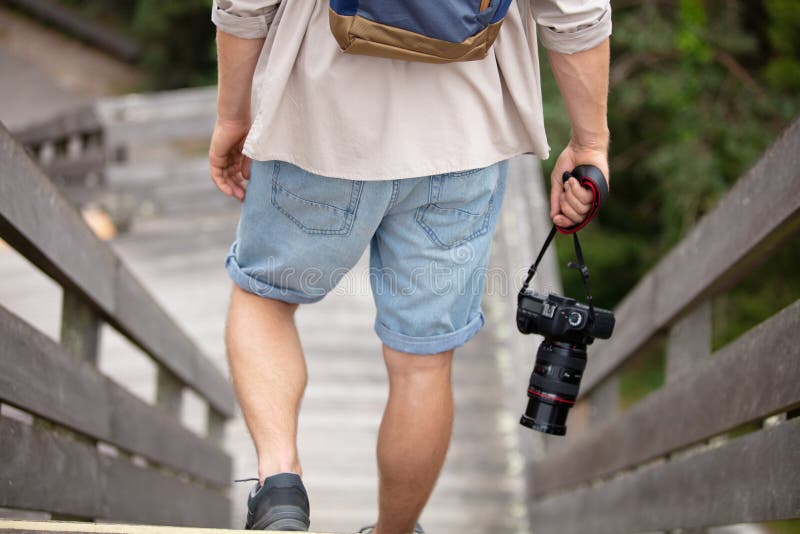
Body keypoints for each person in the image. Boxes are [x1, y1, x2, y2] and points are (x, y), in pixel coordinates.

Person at [208, 0, 611, 532]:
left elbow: (244, 5)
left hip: (322, 123)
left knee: (266, 297)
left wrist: (233, 116)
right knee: (422, 363)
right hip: (465, 136)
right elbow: (575, 12)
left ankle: (280, 486)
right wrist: (589, 141)